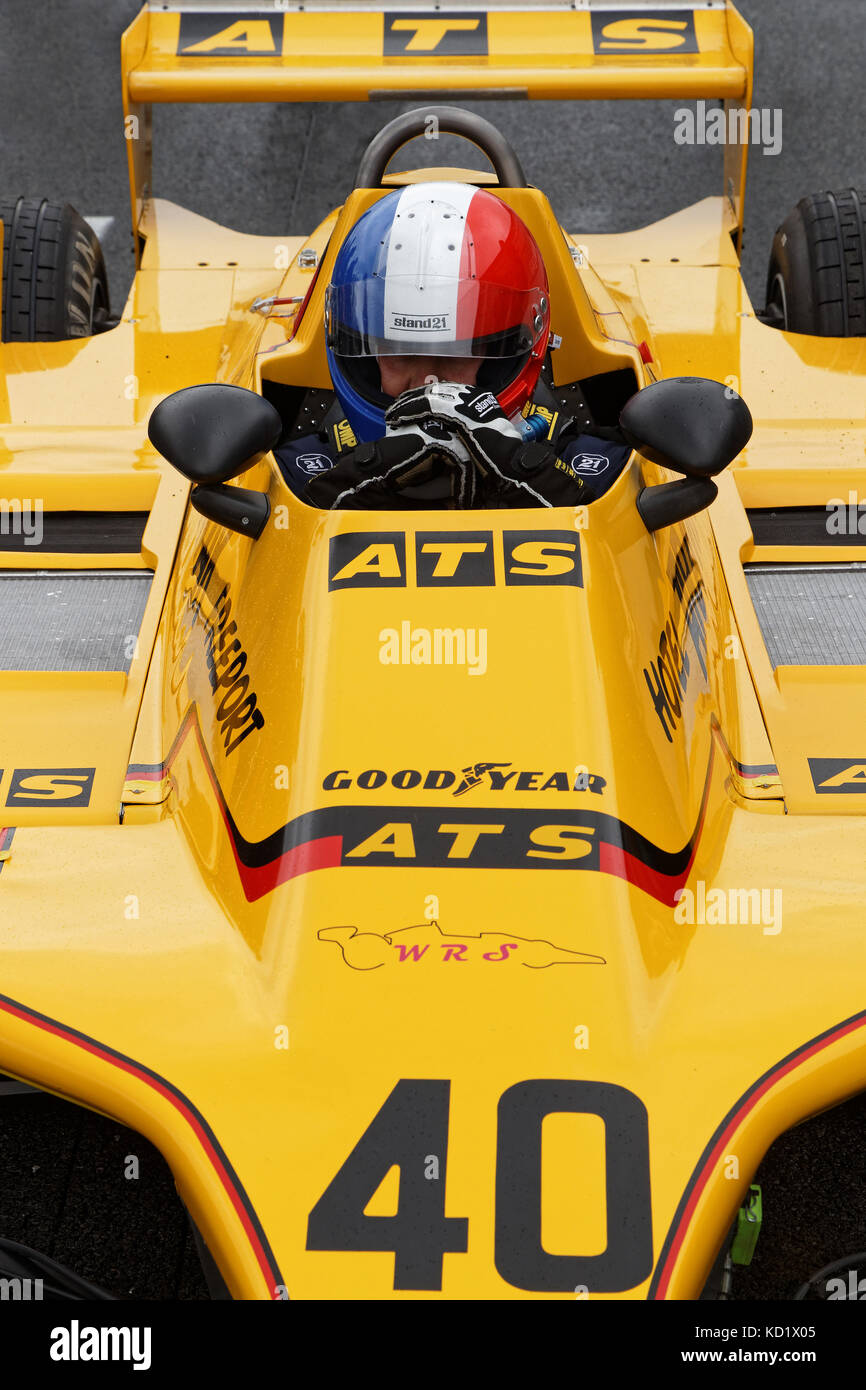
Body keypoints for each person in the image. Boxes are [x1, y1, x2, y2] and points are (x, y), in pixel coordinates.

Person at [274, 181, 631, 509]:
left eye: (454, 353)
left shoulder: (591, 474)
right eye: (401, 353)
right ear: (364, 358)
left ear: (504, 357)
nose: (428, 382)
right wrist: (342, 485)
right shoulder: (299, 477)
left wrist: (543, 481)